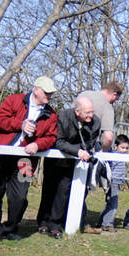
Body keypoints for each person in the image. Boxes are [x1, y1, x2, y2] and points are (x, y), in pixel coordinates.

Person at [0, 76, 59, 241]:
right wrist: (20, 124)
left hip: (26, 160)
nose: (49, 96)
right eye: (47, 92)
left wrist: (38, 144)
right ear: (36, 90)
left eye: (51, 93)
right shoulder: (14, 100)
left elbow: (51, 137)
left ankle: (11, 228)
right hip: (0, 155)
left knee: (20, 197)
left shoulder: (51, 115)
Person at [37, 95, 99, 238]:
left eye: (92, 112)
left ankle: (55, 224)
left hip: (71, 163)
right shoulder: (64, 117)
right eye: (87, 112)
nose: (91, 115)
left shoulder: (95, 123)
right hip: (55, 159)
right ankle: (43, 222)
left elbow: (89, 144)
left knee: (63, 191)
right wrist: (77, 150)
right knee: (49, 189)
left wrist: (81, 150)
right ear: (77, 112)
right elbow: (59, 141)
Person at [85, 132, 129, 233]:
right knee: (113, 204)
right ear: (116, 146)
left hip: (118, 182)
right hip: (112, 182)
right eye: (122, 148)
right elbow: (104, 149)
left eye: (126, 148)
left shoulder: (124, 157)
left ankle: (102, 222)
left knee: (110, 202)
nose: (125, 150)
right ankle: (107, 224)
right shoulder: (112, 154)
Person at [77, 81, 123, 151]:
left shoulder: (84, 94)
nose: (114, 102)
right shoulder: (107, 106)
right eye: (116, 99)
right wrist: (103, 153)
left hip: (67, 146)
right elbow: (108, 137)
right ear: (114, 94)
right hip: (86, 149)